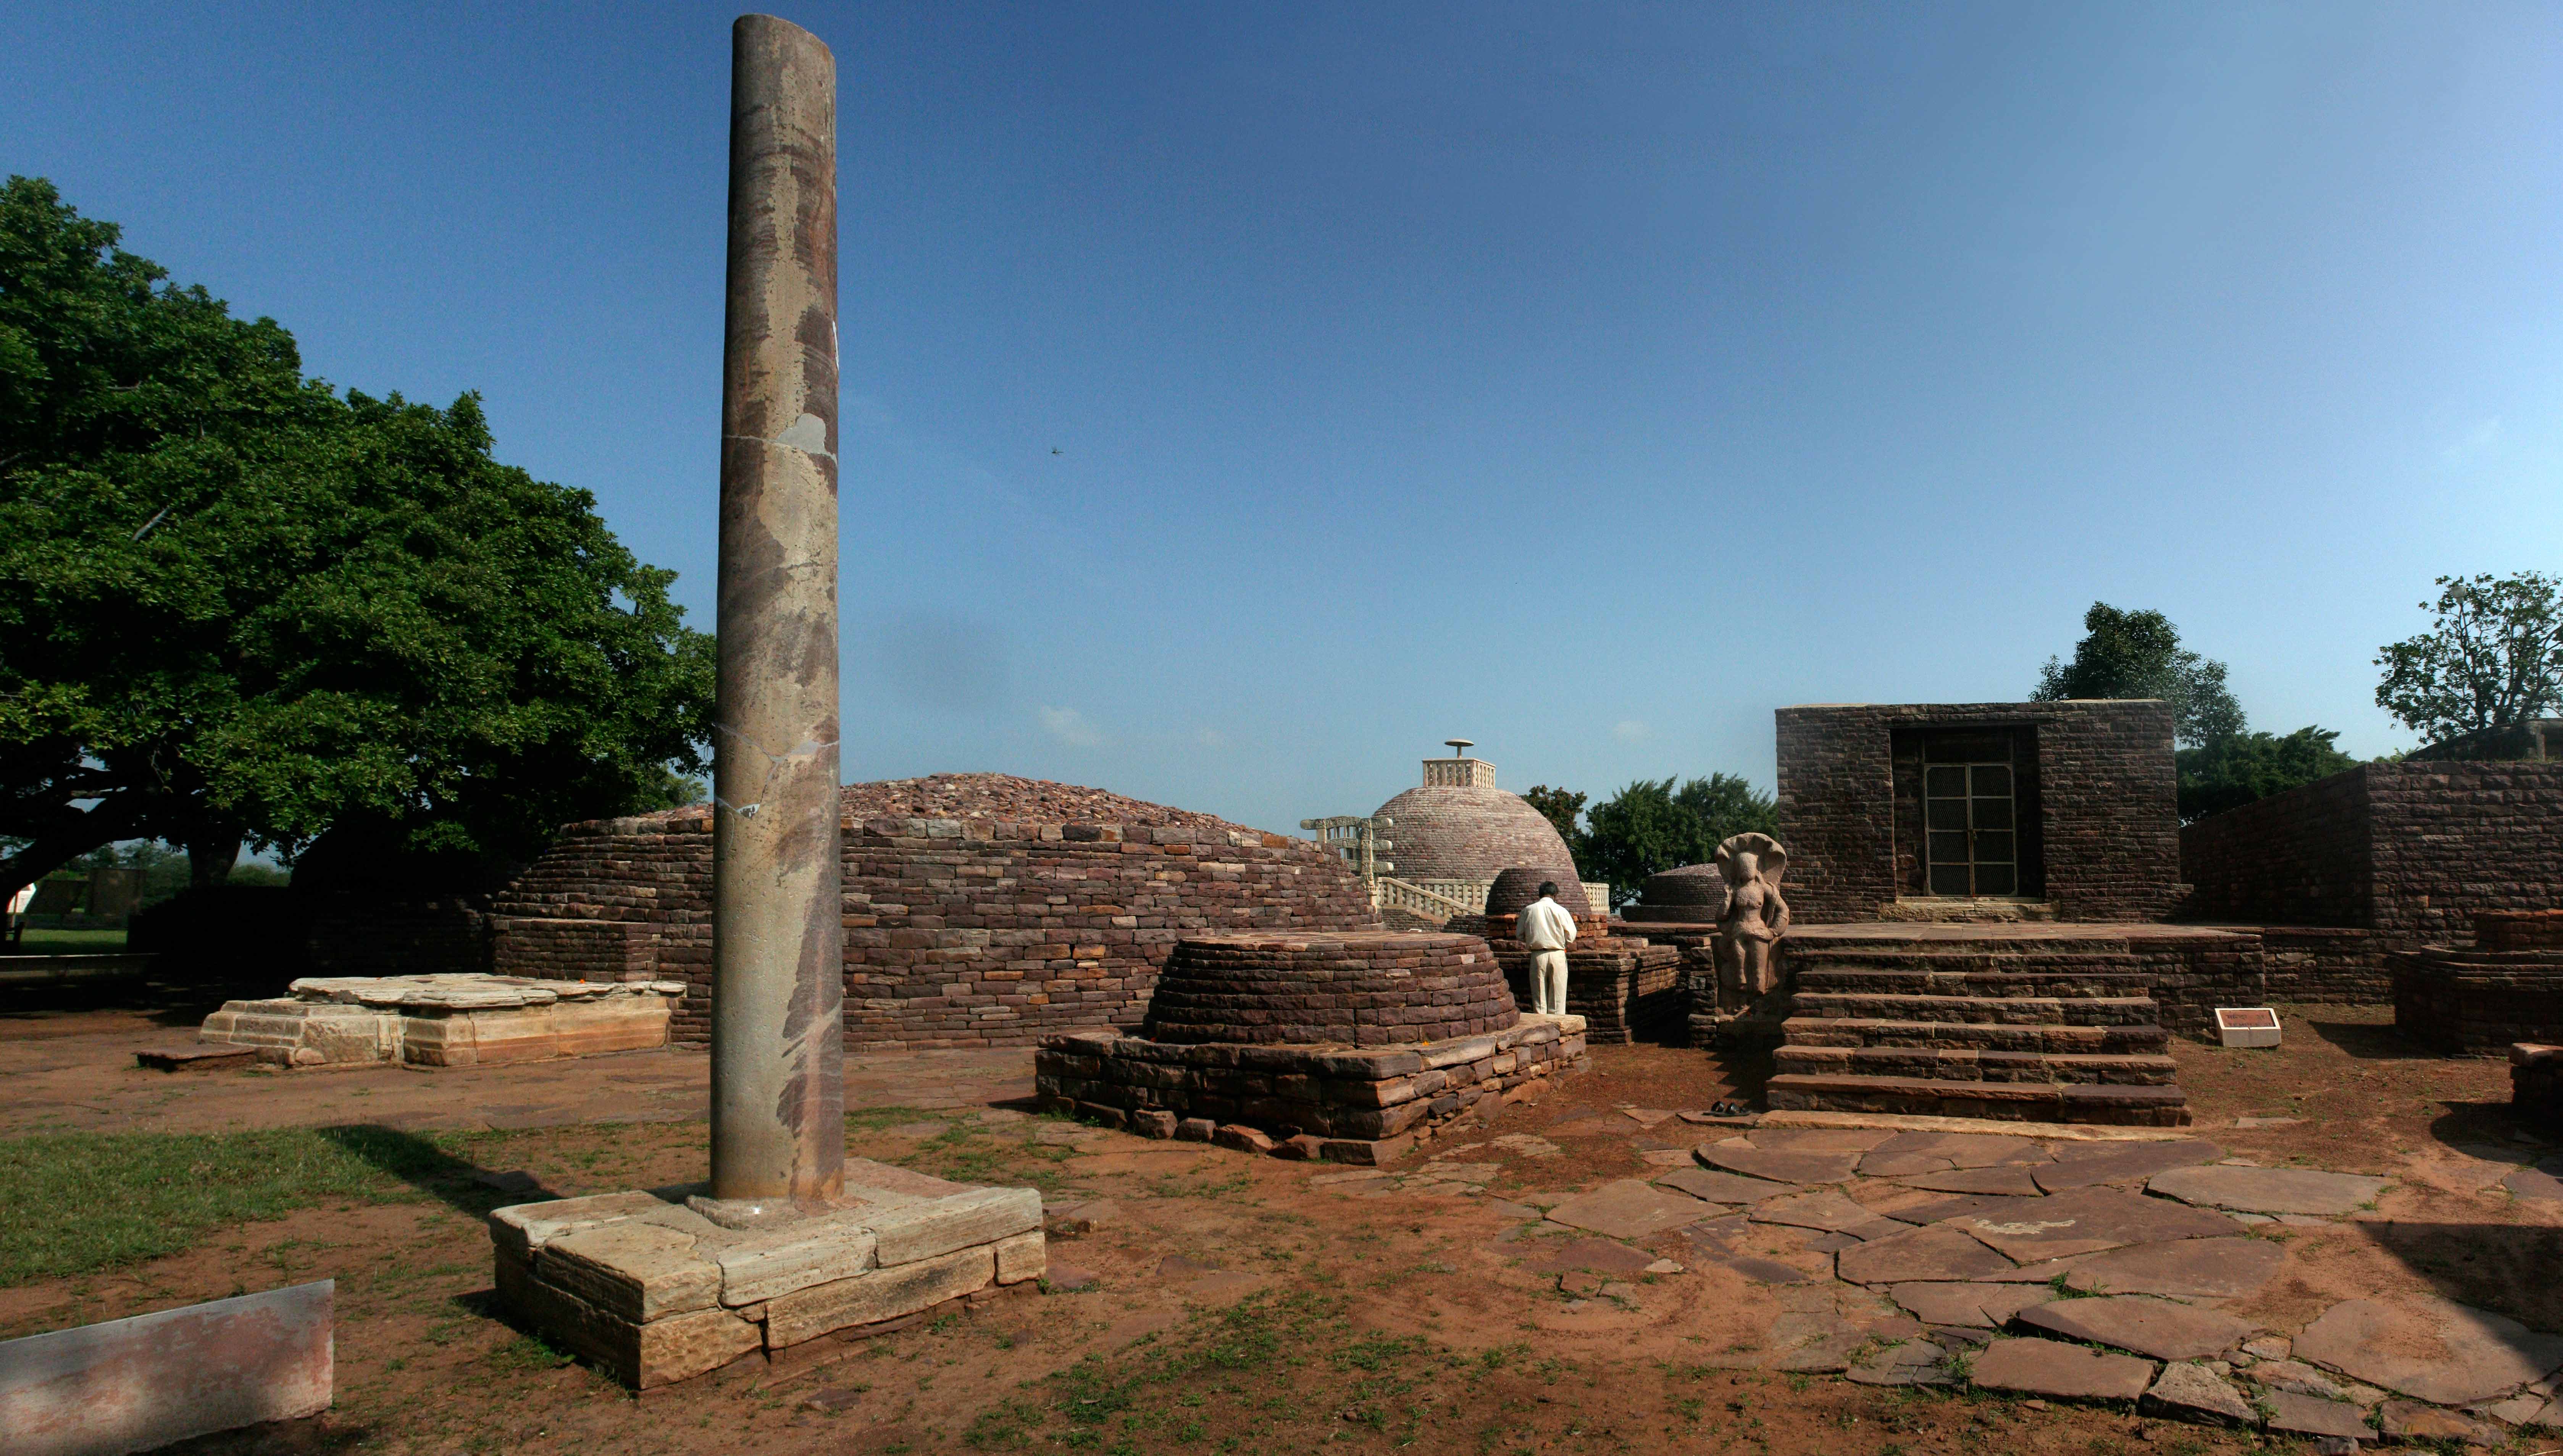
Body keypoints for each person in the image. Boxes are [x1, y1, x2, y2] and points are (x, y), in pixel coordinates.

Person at [1516, 880, 1579, 1015]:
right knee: (1558, 1000)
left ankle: (1542, 1026)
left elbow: (1519, 934)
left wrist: (1534, 938)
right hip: (1557, 954)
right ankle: (1557, 1026)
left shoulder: (1529, 910)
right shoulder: (1561, 911)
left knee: (1539, 1001)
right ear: (1555, 895)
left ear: (1540, 894)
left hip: (1537, 955)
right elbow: (1571, 936)